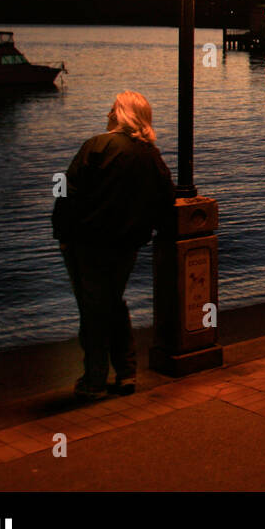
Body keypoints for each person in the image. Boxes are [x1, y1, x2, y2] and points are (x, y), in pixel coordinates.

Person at [52, 91, 175, 400]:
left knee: (93, 309)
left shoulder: (96, 146)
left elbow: (66, 192)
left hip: (88, 242)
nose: (108, 113)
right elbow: (166, 199)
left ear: (122, 114)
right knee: (111, 302)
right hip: (126, 245)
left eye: (112, 108)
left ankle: (95, 380)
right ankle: (126, 372)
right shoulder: (151, 156)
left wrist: (62, 235)